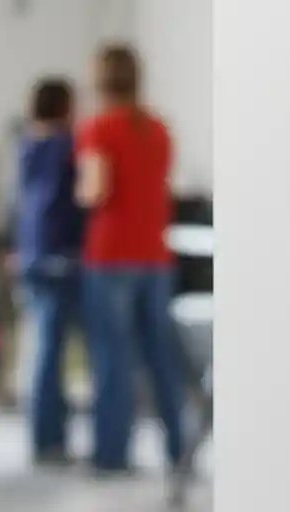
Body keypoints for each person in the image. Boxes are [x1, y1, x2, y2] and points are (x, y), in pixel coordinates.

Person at [76, 44, 183, 475]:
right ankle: (179, 448)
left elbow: (95, 190)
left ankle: (111, 454)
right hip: (155, 255)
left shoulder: (99, 128)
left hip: (110, 254)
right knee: (161, 357)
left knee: (112, 359)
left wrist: (76, 191)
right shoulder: (157, 129)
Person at [15, 77, 85, 465]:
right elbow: (69, 204)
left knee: (42, 351)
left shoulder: (27, 145)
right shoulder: (64, 147)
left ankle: (46, 439)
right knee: (51, 355)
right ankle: (50, 442)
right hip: (59, 257)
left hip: (32, 255)